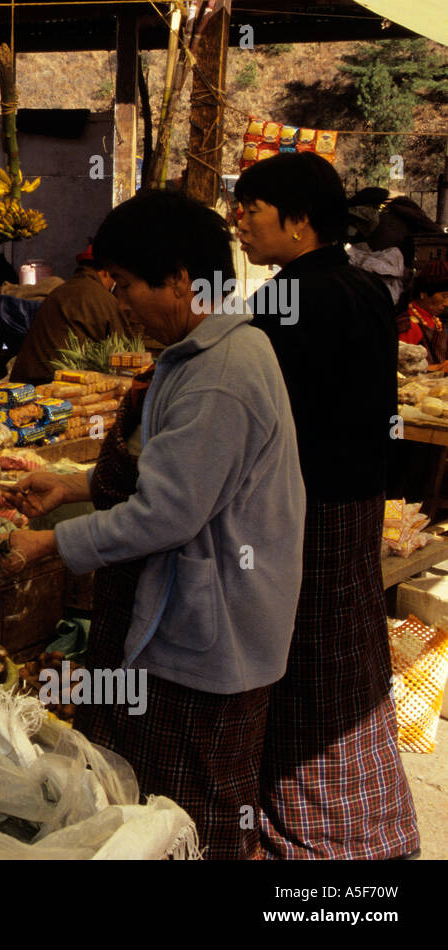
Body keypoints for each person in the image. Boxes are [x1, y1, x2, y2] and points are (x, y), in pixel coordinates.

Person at [0, 191, 306, 860]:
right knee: (154, 800)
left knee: (194, 816)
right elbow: (168, 477)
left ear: (183, 280)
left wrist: (48, 545)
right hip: (195, 623)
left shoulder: (220, 373)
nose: (121, 303)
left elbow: (168, 513)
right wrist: (71, 485)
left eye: (128, 285)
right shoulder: (195, 355)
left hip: (211, 636)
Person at [235, 152, 420, 860]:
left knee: (307, 664)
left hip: (303, 509)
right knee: (346, 659)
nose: (241, 224)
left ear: (299, 220)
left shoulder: (289, 303)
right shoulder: (366, 289)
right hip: (359, 502)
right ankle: (370, 823)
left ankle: (323, 836)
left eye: (252, 211)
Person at [10, 246, 142, 384]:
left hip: (25, 382)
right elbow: (127, 350)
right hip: (58, 386)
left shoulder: (58, 292)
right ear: (106, 272)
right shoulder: (103, 299)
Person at [397, 274, 448, 364]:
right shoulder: (407, 323)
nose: (446, 303)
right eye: (444, 296)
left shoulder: (436, 321)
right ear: (423, 294)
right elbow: (402, 366)